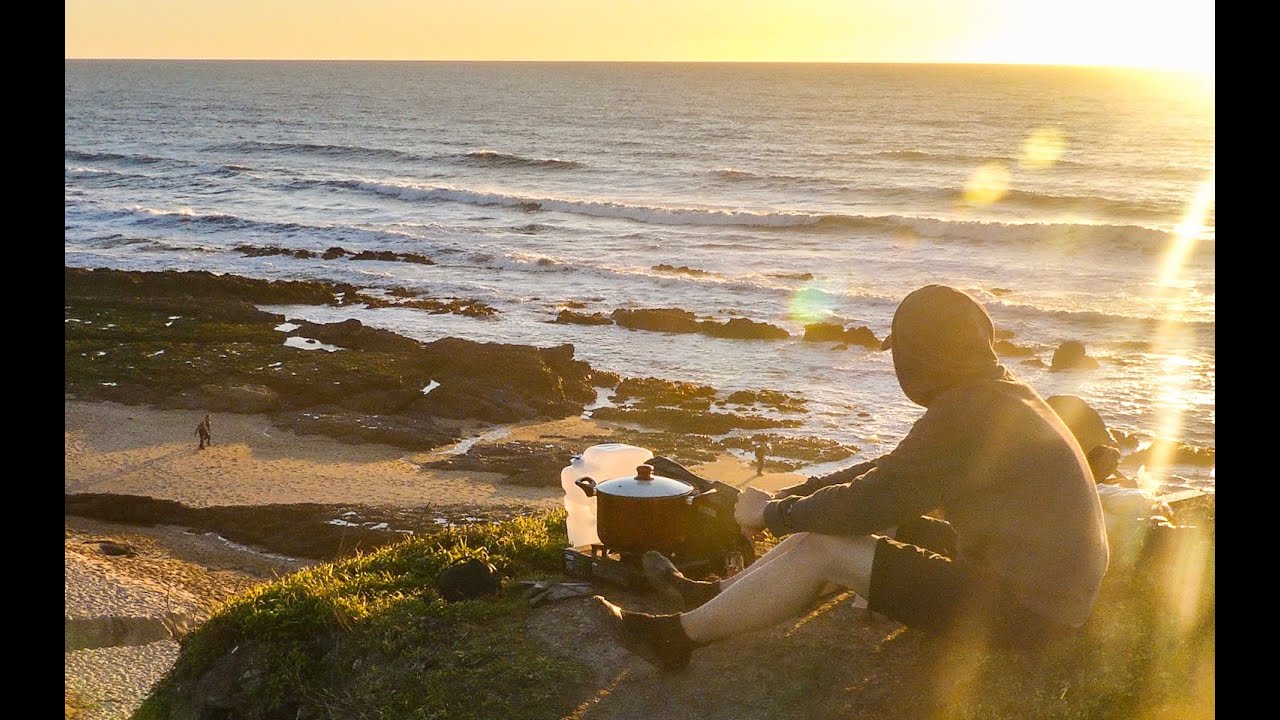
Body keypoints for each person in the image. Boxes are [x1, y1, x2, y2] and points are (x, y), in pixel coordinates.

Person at [594, 284, 1109, 671]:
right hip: (1038, 589)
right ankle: (714, 596)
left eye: (903, 352)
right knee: (831, 522)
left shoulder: (970, 410)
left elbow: (868, 504)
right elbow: (891, 472)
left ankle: (675, 641)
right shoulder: (996, 392)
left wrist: (772, 513)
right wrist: (798, 495)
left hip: (1025, 613)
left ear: (923, 353)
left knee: (827, 545)